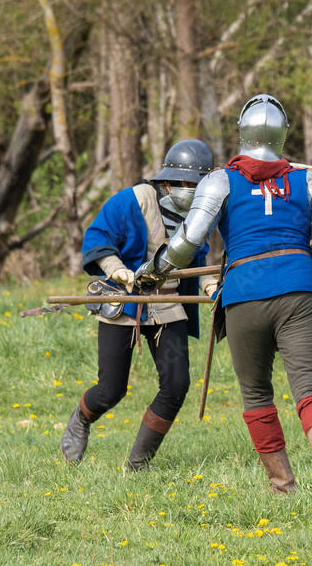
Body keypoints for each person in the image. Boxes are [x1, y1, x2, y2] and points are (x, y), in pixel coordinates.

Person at [135, 94, 312, 493]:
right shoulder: (311, 180)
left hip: (243, 293)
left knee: (255, 392)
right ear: (283, 133)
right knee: (309, 385)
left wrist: (152, 271)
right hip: (299, 290)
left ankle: (282, 484)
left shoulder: (220, 180)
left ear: (242, 132)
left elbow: (188, 241)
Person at [60, 139, 219, 471]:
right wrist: (116, 269)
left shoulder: (201, 212)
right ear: (168, 180)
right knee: (111, 390)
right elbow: (98, 237)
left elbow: (200, 258)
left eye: (197, 184)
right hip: (124, 302)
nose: (191, 190)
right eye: (186, 183)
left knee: (177, 385)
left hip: (168, 304)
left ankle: (138, 463)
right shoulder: (133, 200)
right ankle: (81, 419)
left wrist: (210, 284)